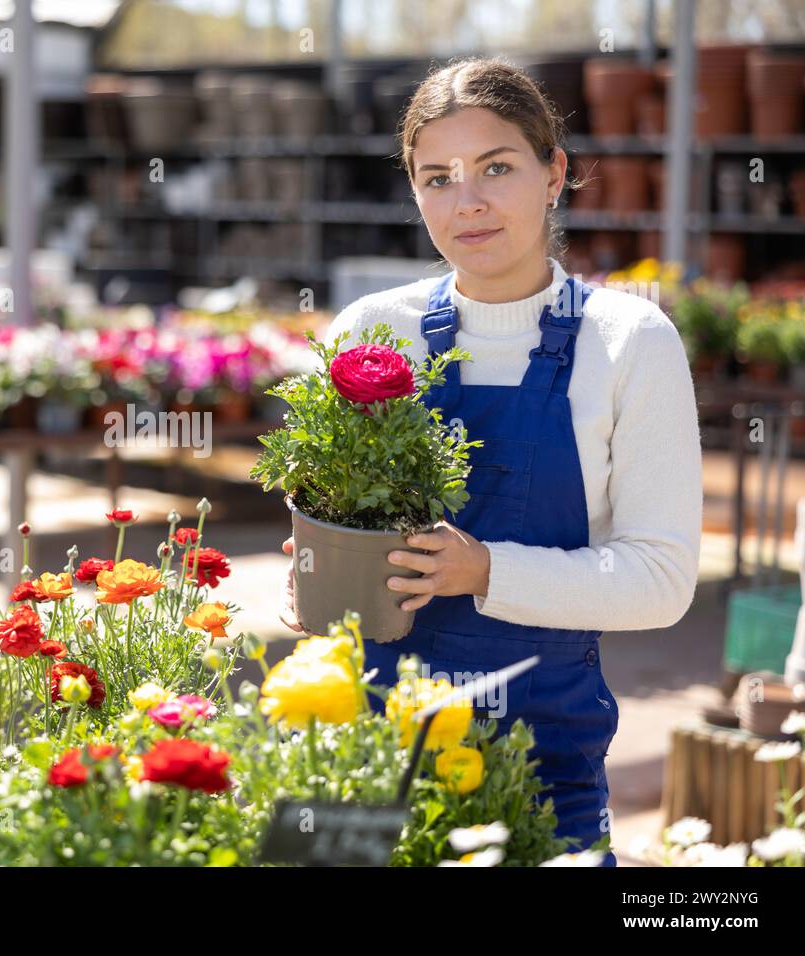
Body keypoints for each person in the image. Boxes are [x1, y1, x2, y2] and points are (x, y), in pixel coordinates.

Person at [279, 57, 703, 866]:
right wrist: (314, 570)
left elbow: (662, 579)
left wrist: (482, 571)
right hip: (367, 750)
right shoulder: (374, 328)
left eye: (496, 167)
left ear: (555, 174)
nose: (466, 200)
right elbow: (316, 512)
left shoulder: (628, 342)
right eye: (436, 177)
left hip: (539, 765)